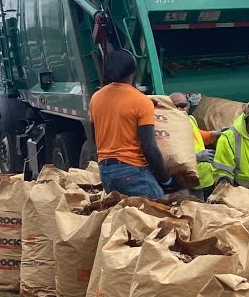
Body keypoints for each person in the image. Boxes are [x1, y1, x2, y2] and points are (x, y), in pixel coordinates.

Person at [88, 51, 171, 198]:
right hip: (131, 171)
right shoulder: (141, 101)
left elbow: (95, 138)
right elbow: (149, 147)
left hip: (105, 172)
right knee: (158, 206)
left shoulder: (96, 98)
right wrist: (166, 180)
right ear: (134, 72)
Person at [169, 92, 219, 197]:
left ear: (188, 105)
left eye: (183, 105)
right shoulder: (166, 127)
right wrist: (196, 157)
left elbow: (198, 135)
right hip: (184, 180)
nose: (179, 109)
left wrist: (214, 134)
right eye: (175, 106)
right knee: (187, 206)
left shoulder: (190, 119)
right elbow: (169, 157)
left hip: (201, 179)